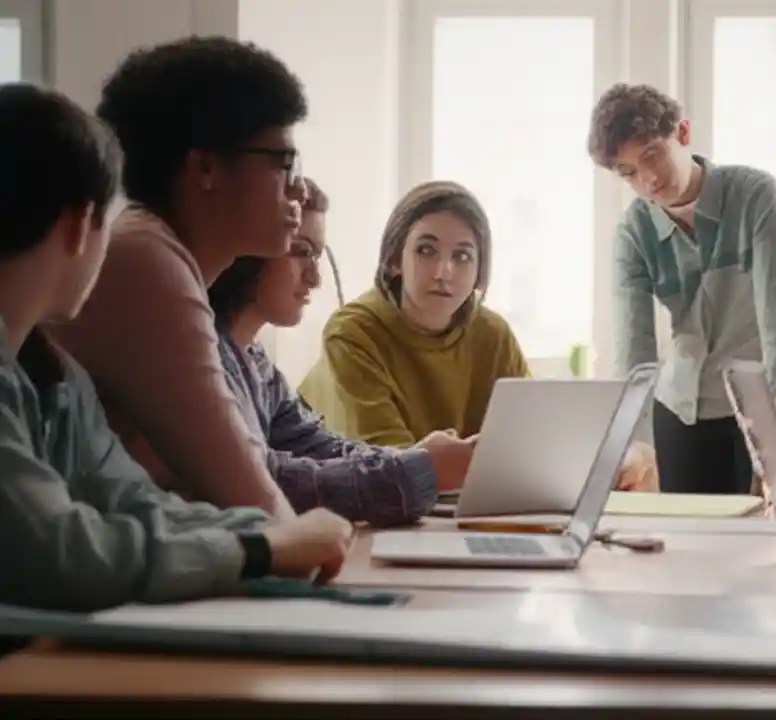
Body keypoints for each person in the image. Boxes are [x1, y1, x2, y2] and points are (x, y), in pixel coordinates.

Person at [0, 83, 351, 612]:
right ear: (79, 226)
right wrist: (258, 546)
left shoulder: (55, 373)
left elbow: (133, 501)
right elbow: (63, 556)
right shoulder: (148, 259)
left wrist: (261, 536)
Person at [47, 37, 309, 516]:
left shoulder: (149, 250)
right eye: (283, 162)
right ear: (205, 166)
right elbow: (256, 503)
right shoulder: (144, 262)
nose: (299, 187)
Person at [589, 82, 776, 495]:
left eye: (651, 155)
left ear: (683, 133)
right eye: (628, 173)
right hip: (685, 402)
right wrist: (634, 441)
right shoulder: (634, 232)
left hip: (770, 388)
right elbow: (634, 352)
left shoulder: (755, 196)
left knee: (767, 531)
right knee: (690, 536)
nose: (648, 179)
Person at [208, 179, 475, 526]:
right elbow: (273, 480)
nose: (315, 278)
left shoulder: (257, 365)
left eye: (317, 256)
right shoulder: (205, 358)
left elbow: (322, 446)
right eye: (301, 251)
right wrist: (421, 468)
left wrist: (417, 459)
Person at [299, 181, 528, 446]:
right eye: (426, 251)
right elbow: (388, 468)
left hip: (457, 485)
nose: (443, 272)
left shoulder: (494, 335)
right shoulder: (352, 333)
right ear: (395, 260)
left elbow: (533, 435)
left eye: (462, 257)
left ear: (480, 272)